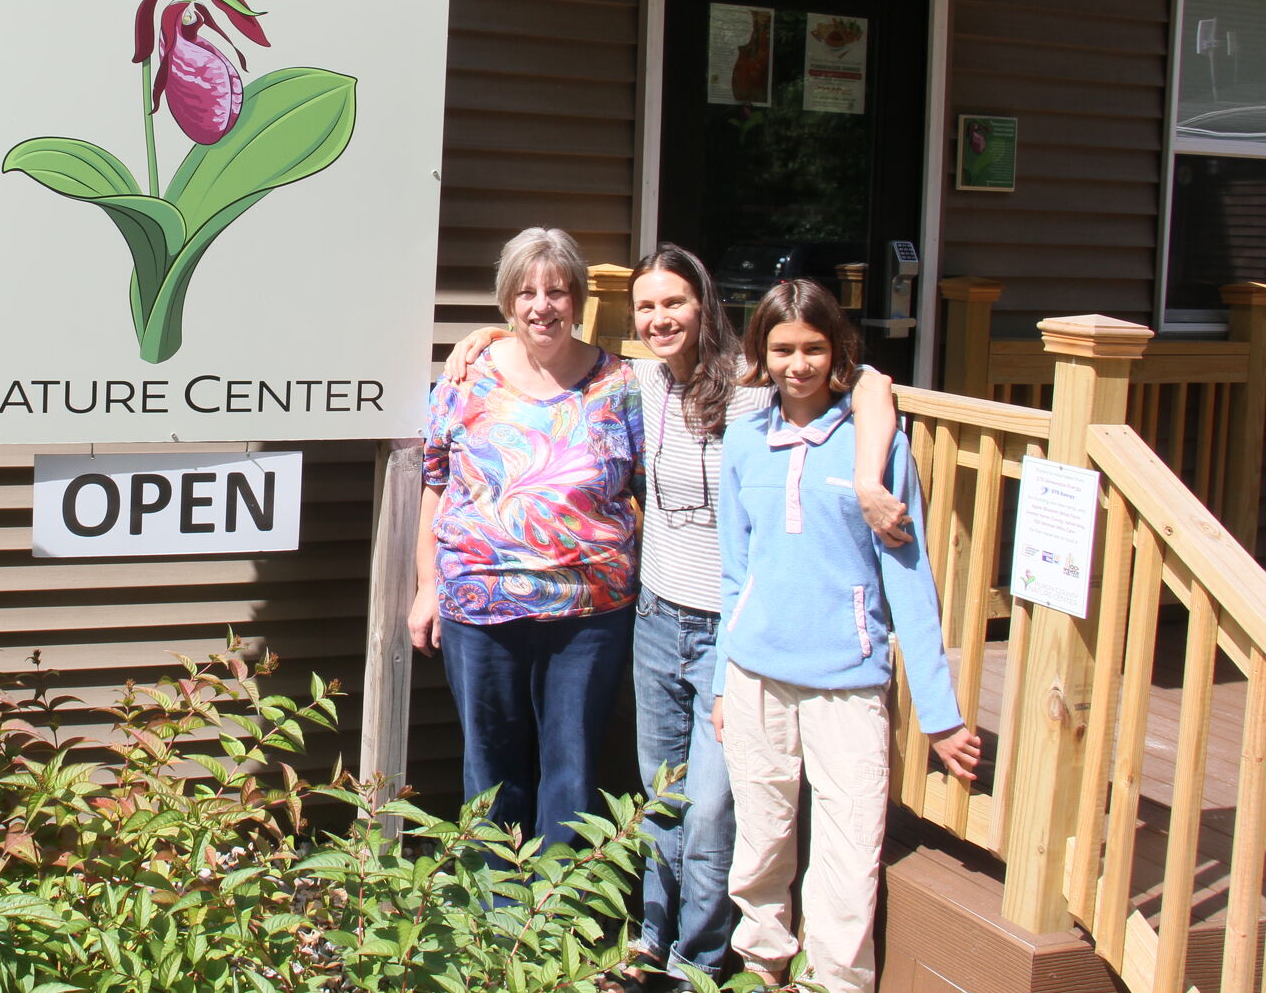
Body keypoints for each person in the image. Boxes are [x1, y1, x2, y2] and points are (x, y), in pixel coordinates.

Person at [443, 245, 904, 991]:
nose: (660, 318)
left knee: (713, 805)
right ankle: (650, 937)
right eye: (647, 306)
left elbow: (873, 383)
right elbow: (539, 342)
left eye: (675, 303)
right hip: (656, 613)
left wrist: (866, 471)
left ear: (704, 305)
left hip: (728, 626)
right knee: (660, 794)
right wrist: (489, 336)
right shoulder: (641, 381)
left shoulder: (757, 388)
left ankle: (699, 953)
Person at [711, 280, 982, 993]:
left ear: (836, 352)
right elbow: (734, 572)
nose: (797, 363)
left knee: (848, 841)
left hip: (849, 678)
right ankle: (762, 962)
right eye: (782, 349)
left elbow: (911, 581)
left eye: (812, 348)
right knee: (762, 832)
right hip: (755, 673)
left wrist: (941, 711)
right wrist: (719, 681)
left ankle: (834, 979)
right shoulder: (743, 439)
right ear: (760, 353)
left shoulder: (876, 450)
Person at [410, 226, 644, 849]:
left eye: (558, 291)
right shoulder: (467, 378)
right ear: (508, 300)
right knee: (491, 768)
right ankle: (493, 920)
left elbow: (648, 486)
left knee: (572, 768)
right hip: (480, 602)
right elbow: (435, 482)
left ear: (578, 299)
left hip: (588, 609)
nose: (543, 305)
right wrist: (426, 587)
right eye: (528, 291)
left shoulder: (619, 386)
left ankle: (554, 913)